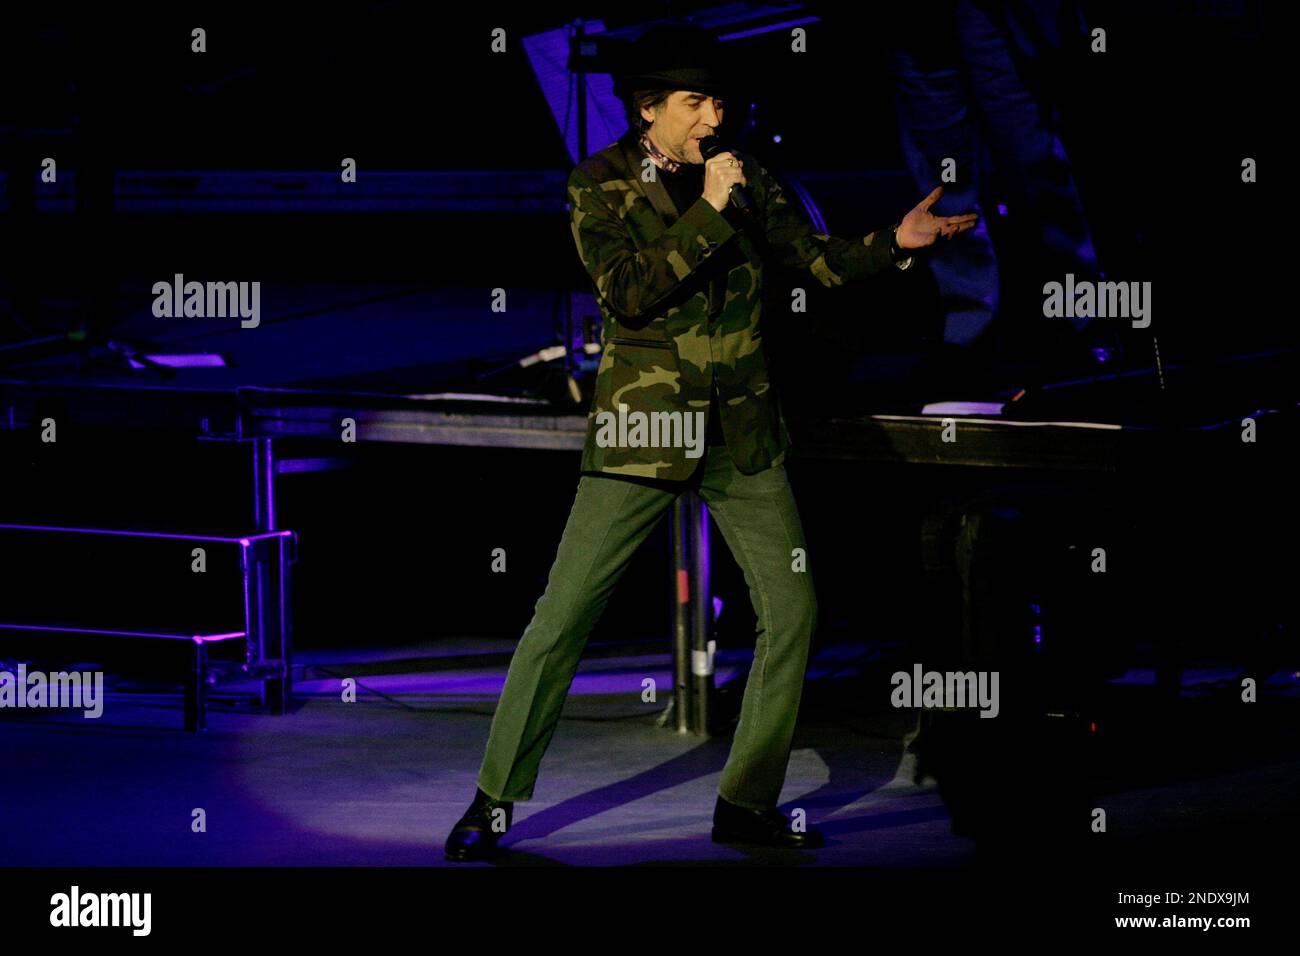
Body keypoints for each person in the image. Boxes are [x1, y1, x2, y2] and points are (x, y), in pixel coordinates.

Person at [444, 22, 978, 861]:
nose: (712, 117)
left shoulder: (747, 176)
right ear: (649, 108)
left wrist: (896, 247)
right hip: (644, 429)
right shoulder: (603, 184)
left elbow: (816, 262)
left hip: (742, 428)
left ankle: (746, 802)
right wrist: (708, 210)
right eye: (696, 103)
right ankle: (494, 801)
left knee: (792, 609)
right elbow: (628, 293)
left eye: (718, 101)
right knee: (563, 617)